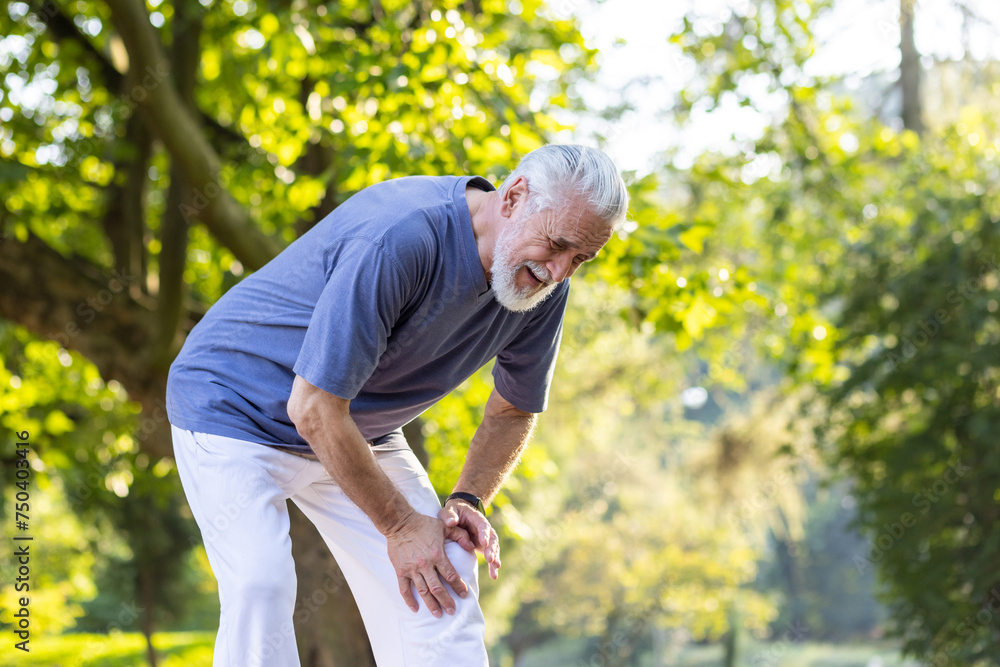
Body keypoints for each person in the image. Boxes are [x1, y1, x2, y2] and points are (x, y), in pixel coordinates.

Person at [165, 144, 630, 666]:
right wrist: (403, 526)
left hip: (354, 429)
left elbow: (513, 409)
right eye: (558, 244)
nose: (560, 271)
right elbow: (314, 406)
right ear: (514, 196)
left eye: (581, 259)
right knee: (261, 585)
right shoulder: (404, 235)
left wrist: (469, 499)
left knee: (447, 564)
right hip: (236, 409)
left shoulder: (540, 289)